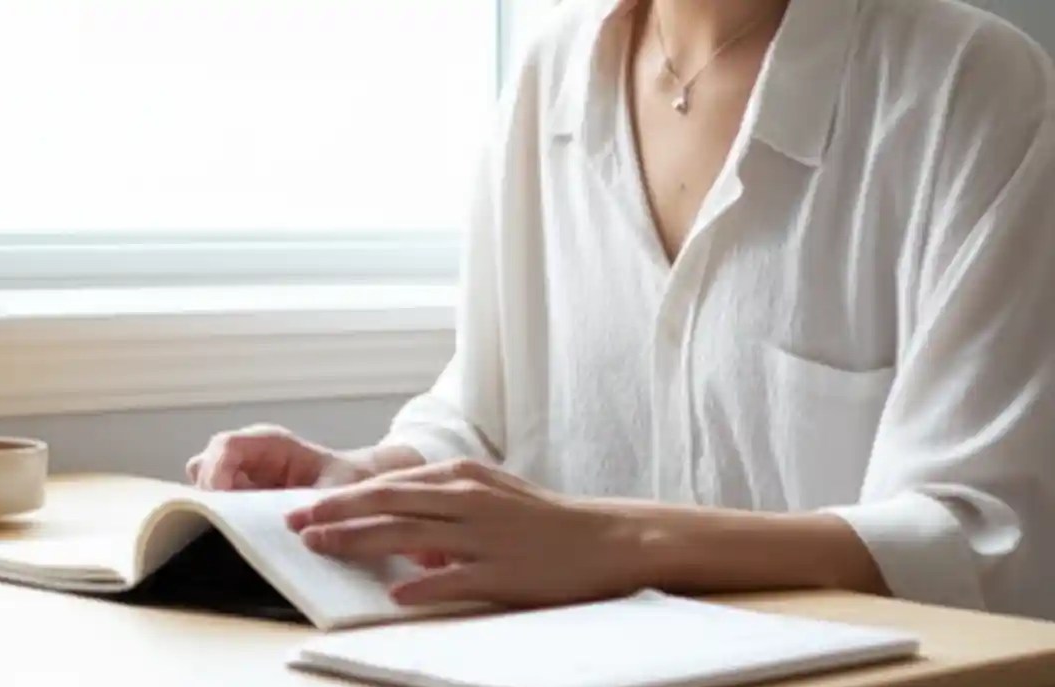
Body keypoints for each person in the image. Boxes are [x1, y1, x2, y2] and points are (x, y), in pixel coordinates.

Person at [188, 0, 1055, 622]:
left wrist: (620, 540)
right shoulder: (546, 77)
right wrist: (368, 479)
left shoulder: (971, 89)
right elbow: (484, 420)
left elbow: (976, 537)